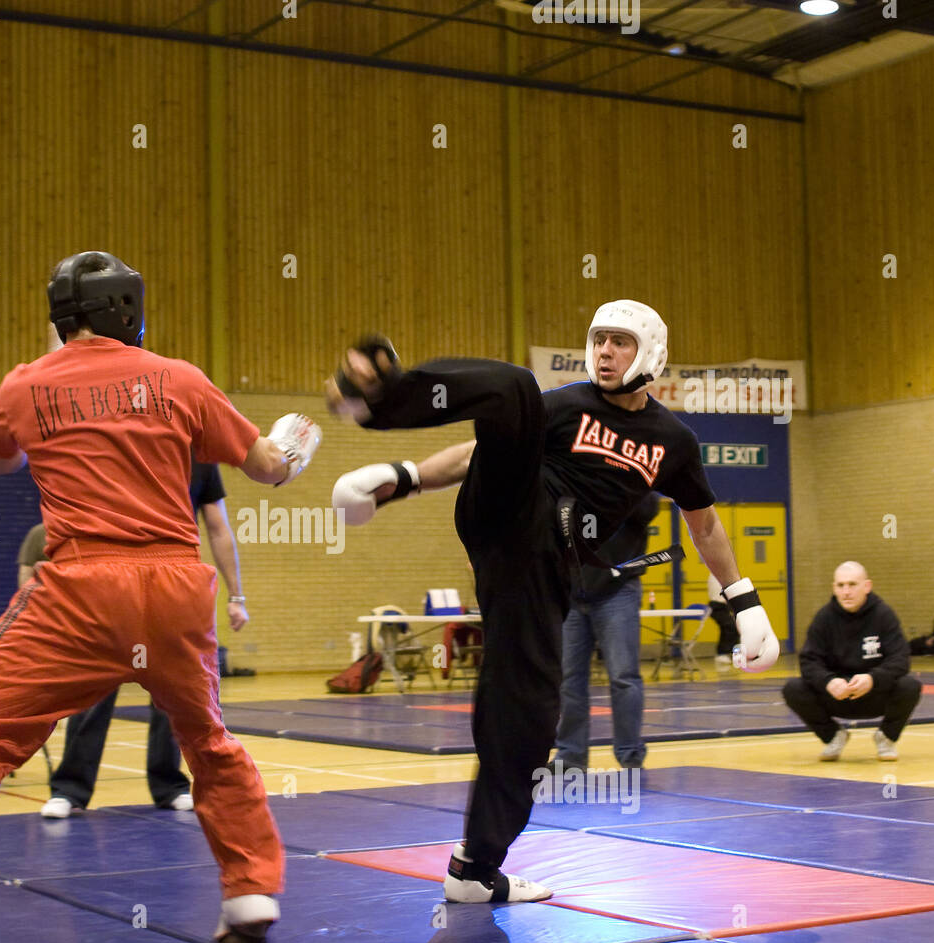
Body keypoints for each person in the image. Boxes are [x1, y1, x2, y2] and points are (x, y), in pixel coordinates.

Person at [0, 251, 320, 943]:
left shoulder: (28, 381)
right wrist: (297, 442)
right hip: (175, 586)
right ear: (133, 312)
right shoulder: (183, 378)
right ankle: (250, 890)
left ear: (61, 317)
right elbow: (267, 465)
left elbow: (0, 454)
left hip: (79, 587)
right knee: (208, 739)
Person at [328, 301, 779, 905]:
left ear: (648, 352)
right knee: (513, 388)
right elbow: (473, 455)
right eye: (598, 341)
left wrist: (744, 604)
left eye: (619, 342)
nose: (605, 353)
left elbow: (704, 527)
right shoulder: (567, 404)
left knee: (524, 716)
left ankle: (476, 867)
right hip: (511, 510)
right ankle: (380, 400)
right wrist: (402, 480)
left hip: (540, 571)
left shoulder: (673, 441)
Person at [30, 460, 249, 817]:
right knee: (94, 687)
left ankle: (169, 784)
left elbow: (218, 528)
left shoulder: (202, 462)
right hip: (115, 581)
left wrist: (236, 596)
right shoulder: (125, 450)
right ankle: (70, 788)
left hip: (173, 583)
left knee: (173, 692)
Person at [553, 492, 659, 771]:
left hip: (617, 589)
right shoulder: (567, 482)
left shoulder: (628, 476)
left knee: (623, 676)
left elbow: (648, 508)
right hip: (573, 593)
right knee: (569, 680)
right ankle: (570, 756)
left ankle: (630, 754)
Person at [782, 561, 920, 762]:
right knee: (793, 688)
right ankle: (833, 736)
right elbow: (809, 661)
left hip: (874, 693)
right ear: (834, 588)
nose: (846, 591)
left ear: (867, 586)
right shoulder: (824, 618)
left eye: (852, 585)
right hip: (837, 695)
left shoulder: (883, 615)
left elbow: (900, 659)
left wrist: (873, 679)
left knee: (910, 686)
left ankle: (886, 737)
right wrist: (828, 681)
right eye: (840, 585)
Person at [707, 573, 740, 669]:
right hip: (717, 605)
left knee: (733, 627)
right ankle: (722, 653)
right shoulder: (716, 575)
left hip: (723, 605)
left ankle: (733, 653)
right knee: (729, 627)